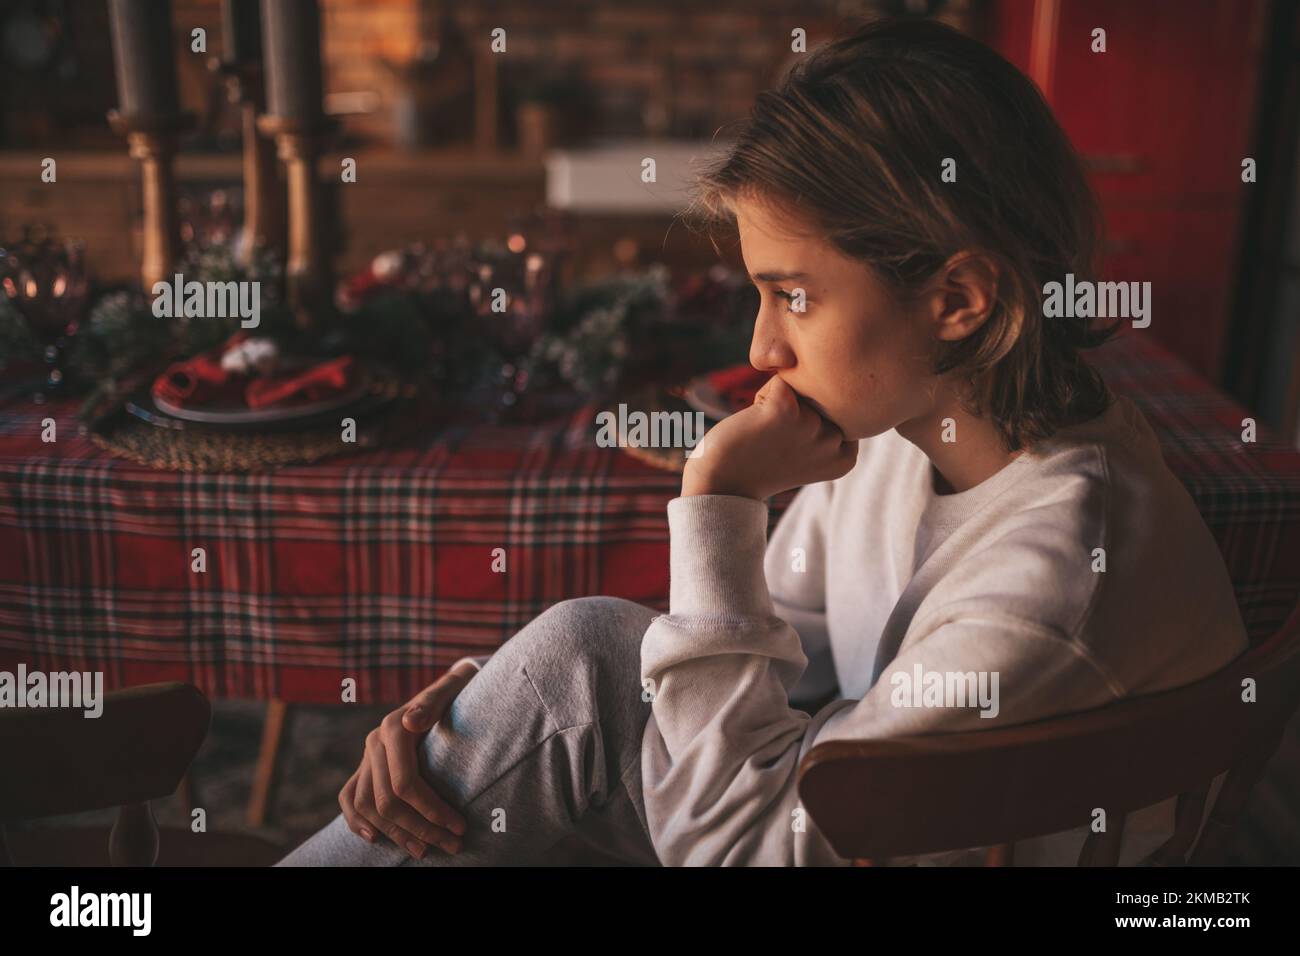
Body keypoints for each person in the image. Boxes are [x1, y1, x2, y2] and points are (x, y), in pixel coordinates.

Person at [278, 17, 1249, 867]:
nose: (759, 348)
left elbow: (738, 849)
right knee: (573, 656)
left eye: (793, 293)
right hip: (820, 791)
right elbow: (754, 652)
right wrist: (470, 714)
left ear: (958, 298)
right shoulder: (911, 433)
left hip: (823, 845)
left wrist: (721, 500)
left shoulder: (1055, 580)